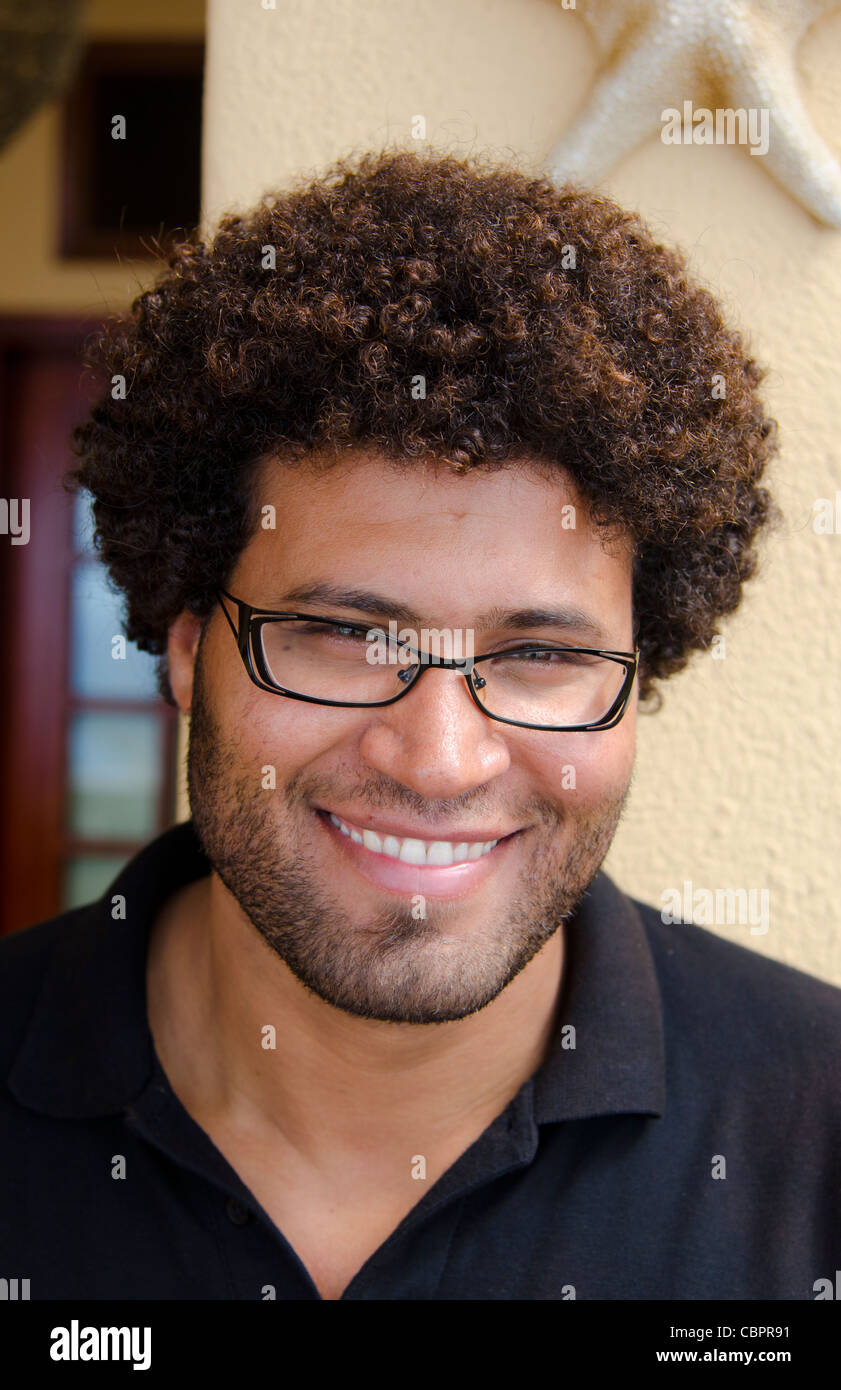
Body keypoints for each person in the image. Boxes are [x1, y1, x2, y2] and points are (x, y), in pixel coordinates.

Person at [2, 148, 839, 1303]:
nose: (440, 758)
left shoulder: (816, 1130)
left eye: (540, 654)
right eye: (346, 636)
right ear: (191, 653)